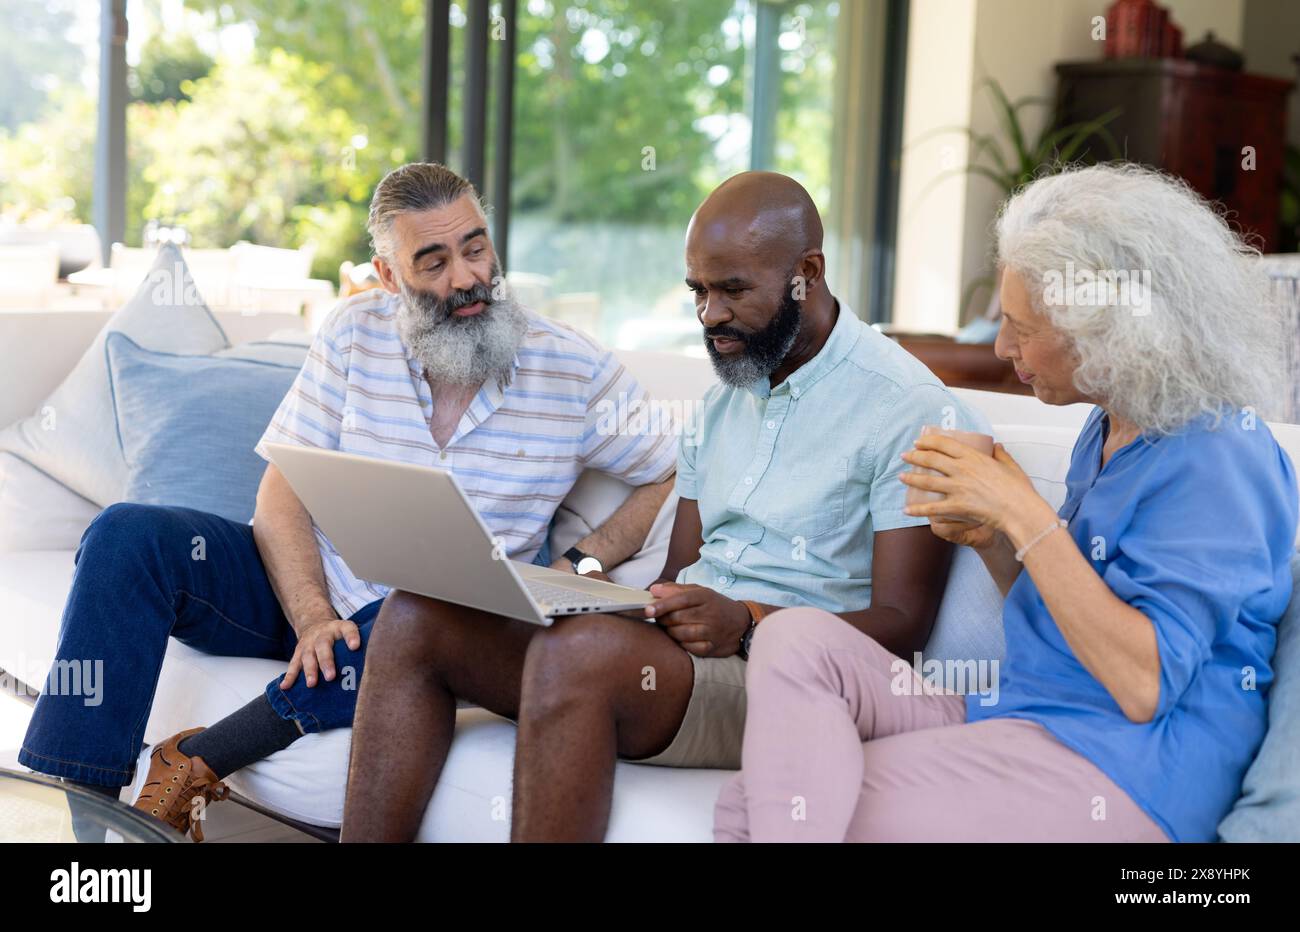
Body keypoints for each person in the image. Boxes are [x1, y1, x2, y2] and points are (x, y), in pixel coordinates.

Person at [19, 162, 676, 840]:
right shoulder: (352, 333)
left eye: (476, 247)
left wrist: (583, 564)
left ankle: (199, 759)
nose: (467, 278)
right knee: (126, 536)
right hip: (303, 586)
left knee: (408, 618)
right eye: (434, 261)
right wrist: (311, 617)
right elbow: (282, 488)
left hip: (434, 625)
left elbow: (668, 475)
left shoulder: (573, 368)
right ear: (389, 276)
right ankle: (87, 824)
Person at [339, 170, 985, 842]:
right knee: (415, 615)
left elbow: (903, 626)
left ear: (807, 273)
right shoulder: (721, 400)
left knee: (583, 655)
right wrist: (589, 594)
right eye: (698, 293)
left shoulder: (909, 409)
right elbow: (675, 579)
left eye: (732, 290)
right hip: (677, 661)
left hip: (792, 682)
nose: (711, 317)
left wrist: (748, 621)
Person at [715, 163, 1299, 843]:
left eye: (1023, 329)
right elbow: (1073, 612)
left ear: (1112, 331)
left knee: (768, 812)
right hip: (1028, 713)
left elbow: (1144, 686)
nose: (1001, 348)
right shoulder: (1108, 427)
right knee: (793, 640)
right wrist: (994, 535)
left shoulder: (1220, 453)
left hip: (1133, 771)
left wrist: (1021, 510)